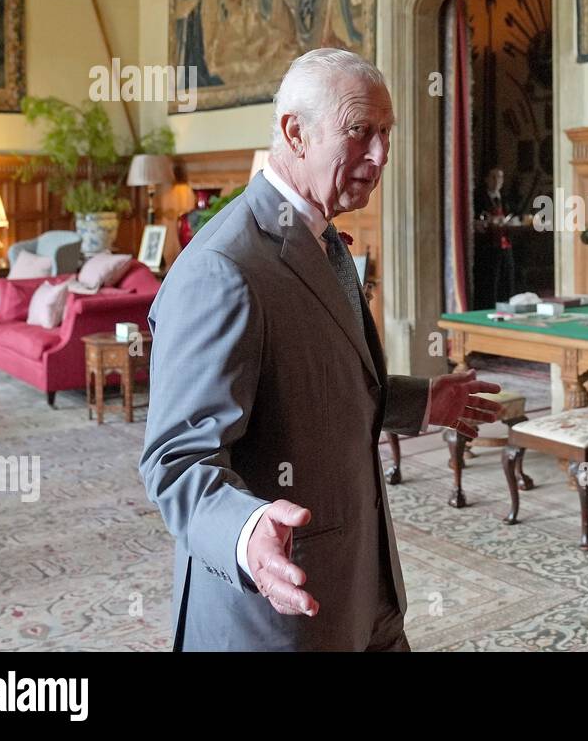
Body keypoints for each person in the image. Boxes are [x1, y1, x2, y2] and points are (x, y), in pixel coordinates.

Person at [140, 49, 502, 651]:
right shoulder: (223, 268)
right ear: (294, 132)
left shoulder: (317, 236)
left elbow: (313, 379)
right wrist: (247, 530)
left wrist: (418, 401)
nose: (380, 154)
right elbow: (175, 461)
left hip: (363, 589)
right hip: (275, 614)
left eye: (386, 134)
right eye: (360, 131)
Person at [474, 166, 517, 309]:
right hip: (488, 247)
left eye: (500, 177)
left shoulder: (505, 198)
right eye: (493, 177)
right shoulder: (478, 198)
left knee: (507, 280)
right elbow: (476, 220)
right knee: (491, 282)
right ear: (486, 179)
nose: (497, 180)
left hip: (505, 245)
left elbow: (511, 216)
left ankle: (507, 308)